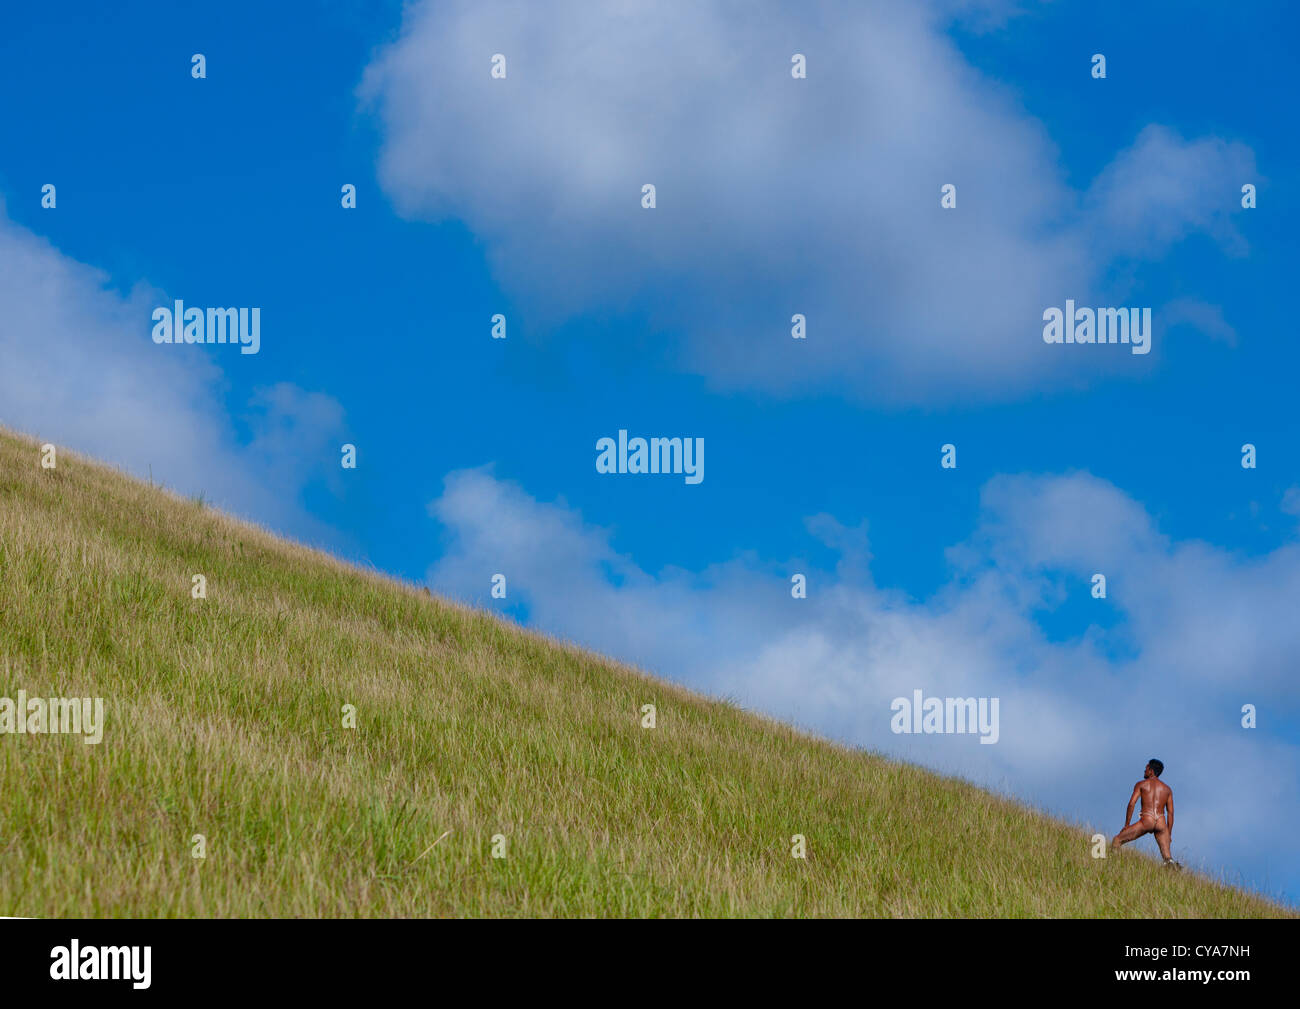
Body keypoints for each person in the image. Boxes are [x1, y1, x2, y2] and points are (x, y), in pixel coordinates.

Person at [1111, 758, 1180, 869]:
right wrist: (1169, 834)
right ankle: (1174, 875)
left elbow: (1131, 804)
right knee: (1168, 859)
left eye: (1146, 769)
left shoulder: (1141, 784)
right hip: (1161, 822)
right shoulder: (1167, 789)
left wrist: (1126, 825)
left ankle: (1114, 868)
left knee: (1117, 840)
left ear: (1151, 771)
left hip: (1147, 819)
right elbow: (1170, 813)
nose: (1144, 771)